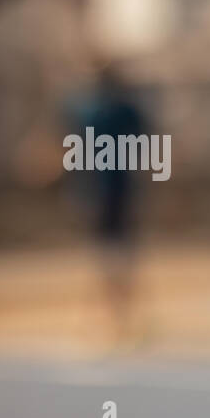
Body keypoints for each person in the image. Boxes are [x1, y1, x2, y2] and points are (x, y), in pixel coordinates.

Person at [63, 58, 146, 348]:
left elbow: (147, 147)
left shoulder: (123, 111)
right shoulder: (89, 110)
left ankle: (119, 316)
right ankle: (107, 317)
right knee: (104, 256)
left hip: (117, 193)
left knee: (116, 256)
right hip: (95, 193)